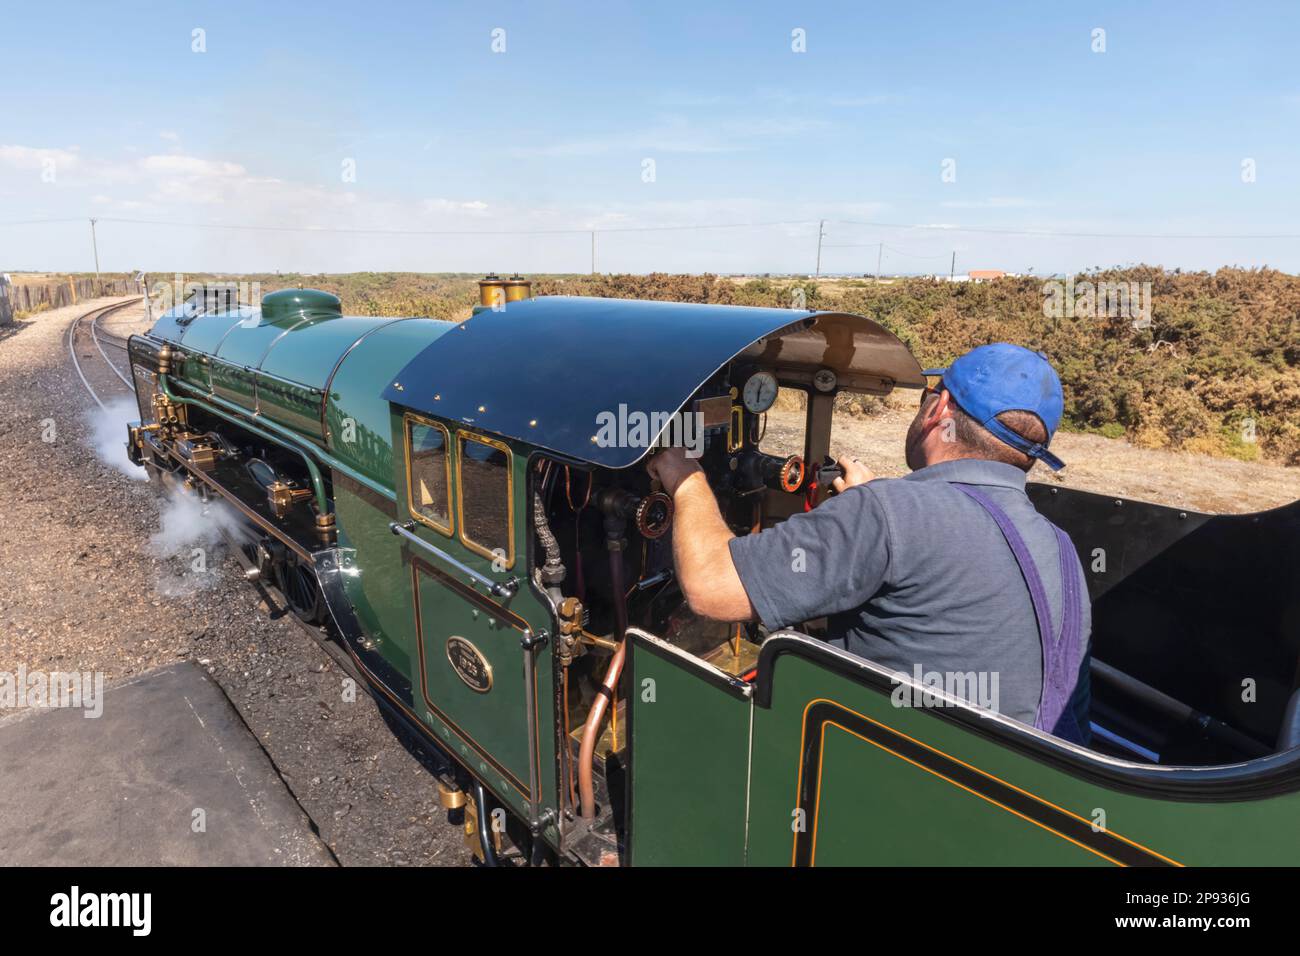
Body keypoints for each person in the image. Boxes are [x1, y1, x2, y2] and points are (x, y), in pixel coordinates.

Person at [647, 343, 1091, 743]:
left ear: (939, 409)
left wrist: (684, 475)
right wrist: (877, 510)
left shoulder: (889, 512)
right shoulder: (1061, 547)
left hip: (896, 783)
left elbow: (711, 588)